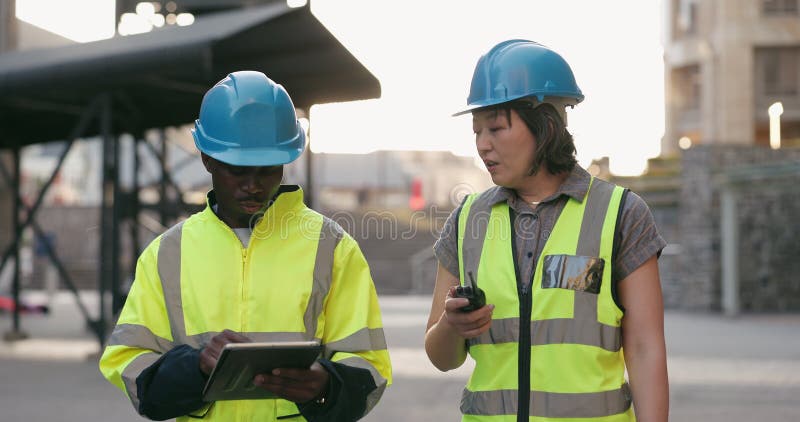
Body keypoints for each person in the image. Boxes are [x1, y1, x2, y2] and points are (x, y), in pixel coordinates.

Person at [99, 70, 391, 421]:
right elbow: (130, 365)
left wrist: (325, 387)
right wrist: (196, 366)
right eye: (238, 170)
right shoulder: (167, 254)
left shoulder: (332, 248)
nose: (253, 185)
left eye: (267, 170)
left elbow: (369, 368)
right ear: (207, 159)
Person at [424, 40, 669, 421]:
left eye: (496, 128)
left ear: (547, 127)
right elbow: (441, 358)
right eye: (477, 131)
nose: (483, 145)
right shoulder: (467, 220)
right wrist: (452, 326)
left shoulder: (621, 214)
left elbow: (645, 348)